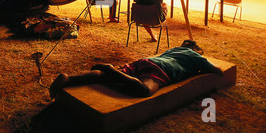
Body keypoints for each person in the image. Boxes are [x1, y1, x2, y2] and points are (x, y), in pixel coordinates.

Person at [49, 40, 224, 99]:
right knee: (145, 89)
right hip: (162, 70)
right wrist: (203, 65)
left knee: (102, 76)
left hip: (145, 61)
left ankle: (68, 79)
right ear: (195, 50)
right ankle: (111, 69)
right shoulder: (197, 57)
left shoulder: (174, 49)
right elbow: (218, 71)